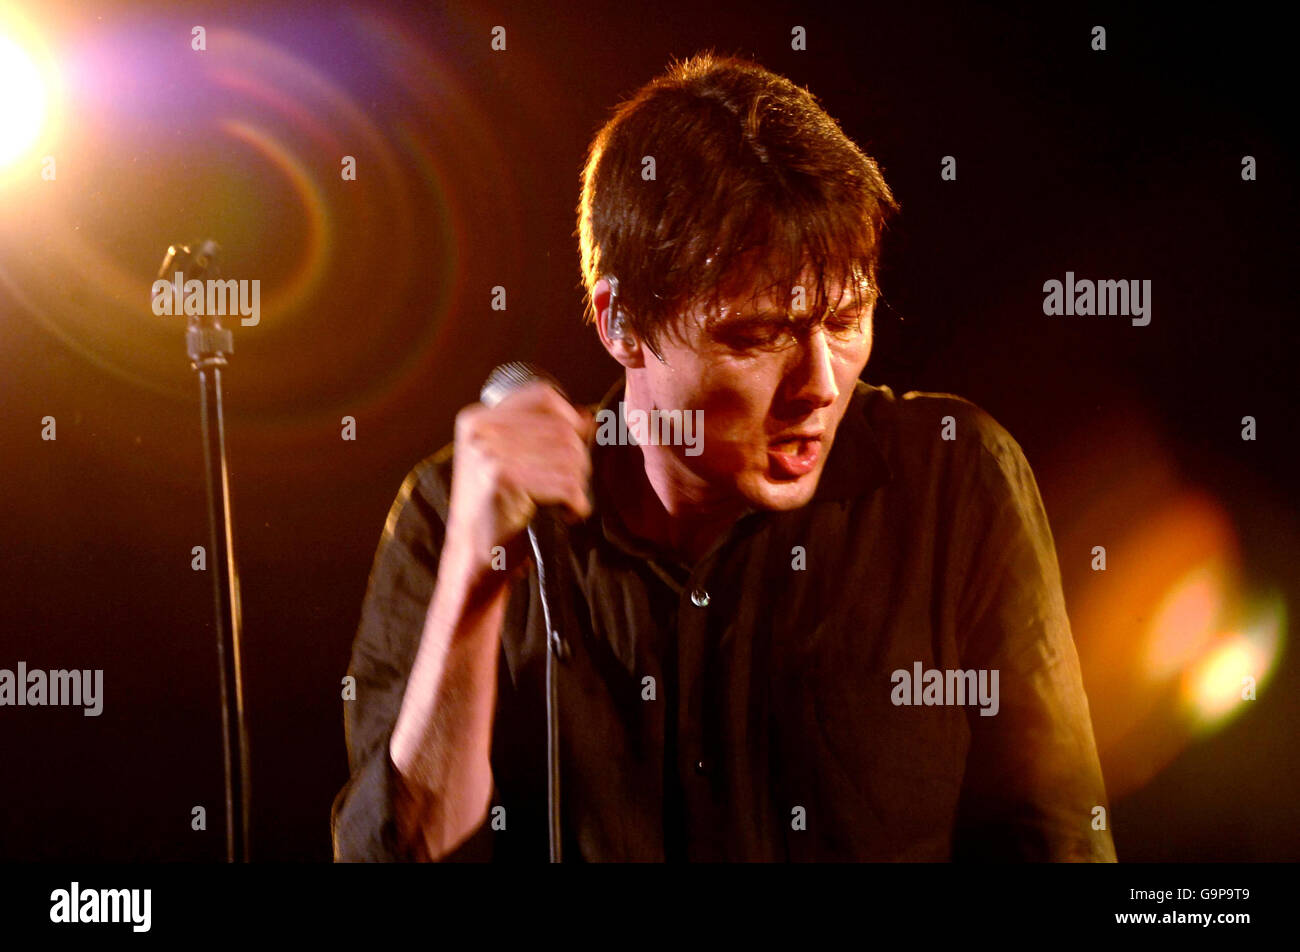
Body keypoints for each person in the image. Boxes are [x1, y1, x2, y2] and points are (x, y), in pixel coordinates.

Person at [330, 52, 1117, 862]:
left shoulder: (954, 482)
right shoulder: (448, 515)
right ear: (621, 323)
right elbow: (402, 852)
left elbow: (1054, 843)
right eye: (758, 335)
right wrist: (473, 585)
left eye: (846, 320)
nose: (820, 385)